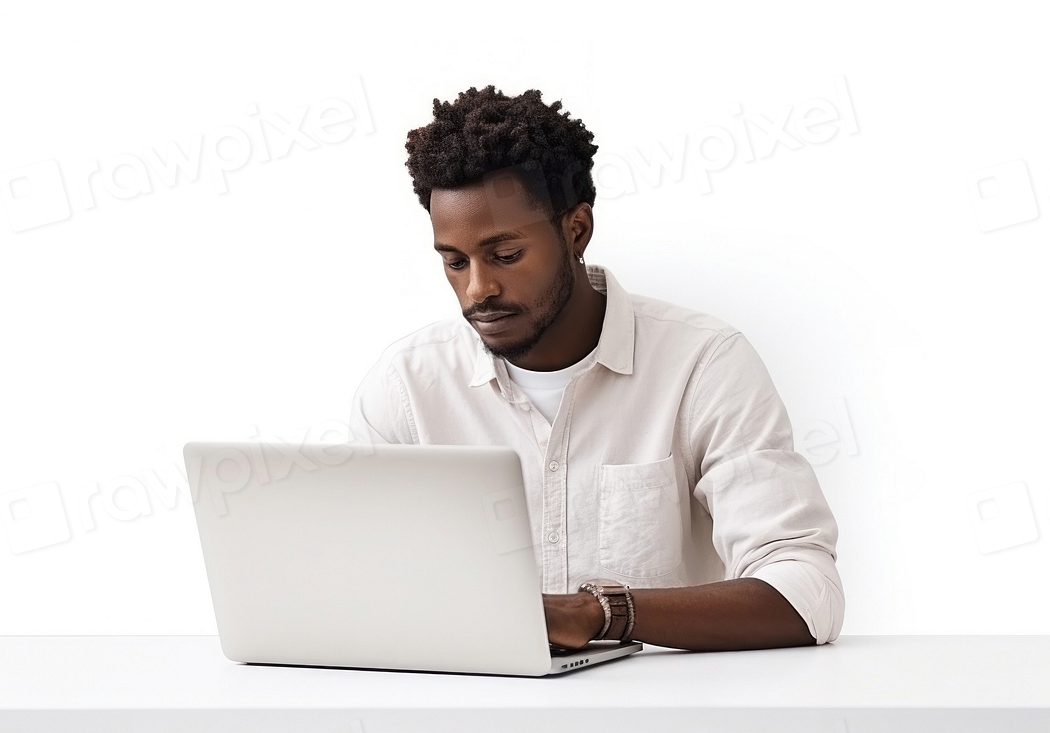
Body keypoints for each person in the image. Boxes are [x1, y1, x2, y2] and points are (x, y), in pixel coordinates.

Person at [349, 86, 844, 651]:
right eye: (455, 262)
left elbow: (807, 593)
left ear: (577, 229)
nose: (478, 290)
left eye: (506, 255)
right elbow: (364, 588)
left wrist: (602, 614)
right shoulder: (406, 388)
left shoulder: (703, 364)